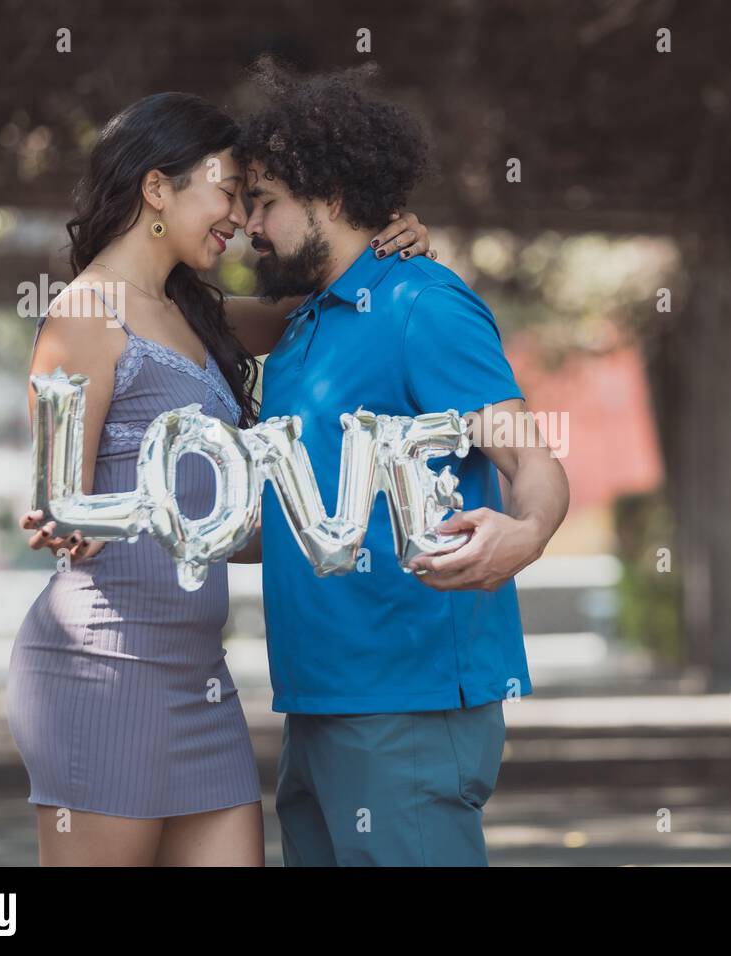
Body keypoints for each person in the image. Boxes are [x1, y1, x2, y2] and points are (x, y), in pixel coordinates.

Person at [10, 89, 433, 866]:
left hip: (198, 680)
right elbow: (56, 503)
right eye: (229, 192)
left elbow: (334, 300)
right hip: (102, 671)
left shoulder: (199, 313)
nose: (241, 217)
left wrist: (385, 238)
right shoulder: (85, 314)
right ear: (158, 188)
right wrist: (65, 518)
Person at [237, 62, 570, 866]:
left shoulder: (424, 304)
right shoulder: (301, 330)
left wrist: (526, 535)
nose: (248, 225)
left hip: (409, 707)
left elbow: (535, 462)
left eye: (265, 203)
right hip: (316, 702)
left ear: (333, 199)